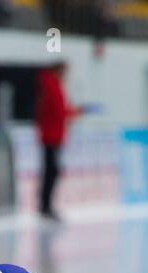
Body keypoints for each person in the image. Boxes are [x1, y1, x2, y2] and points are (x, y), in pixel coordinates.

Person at [35, 61, 83, 222]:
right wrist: (75, 112)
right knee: (52, 171)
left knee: (51, 171)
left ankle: (45, 205)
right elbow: (59, 111)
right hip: (52, 135)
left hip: (53, 134)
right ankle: (45, 206)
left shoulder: (53, 86)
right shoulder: (53, 87)